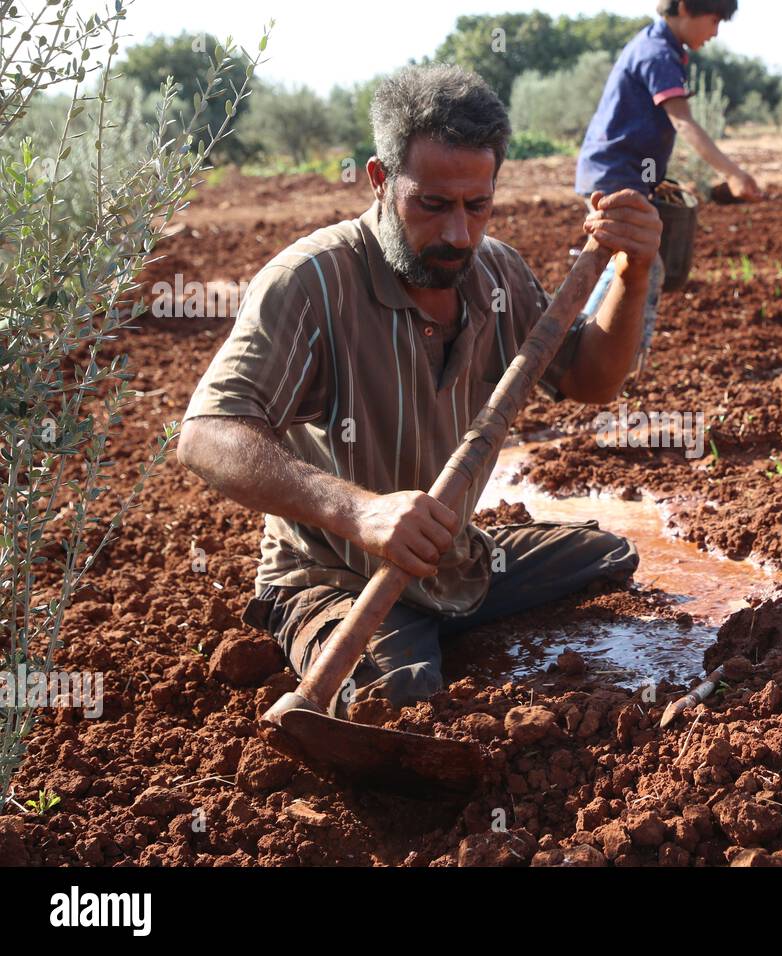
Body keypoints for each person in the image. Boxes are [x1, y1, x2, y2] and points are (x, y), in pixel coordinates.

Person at [177, 64, 662, 718]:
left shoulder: (496, 272)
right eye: (432, 205)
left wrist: (632, 276)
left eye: (477, 205)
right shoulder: (312, 283)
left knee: (610, 556)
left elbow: (589, 379)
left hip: (454, 562)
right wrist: (360, 513)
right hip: (339, 577)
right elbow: (207, 433)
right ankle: (367, 640)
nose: (458, 234)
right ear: (380, 180)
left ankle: (441, 621)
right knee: (397, 703)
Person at [575, 0, 763, 369]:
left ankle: (606, 354)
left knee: (628, 261)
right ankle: (584, 350)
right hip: (614, 174)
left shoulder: (656, 45)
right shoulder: (657, 53)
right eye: (714, 20)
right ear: (686, 9)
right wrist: (734, 174)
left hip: (616, 172)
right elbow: (683, 123)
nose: (716, 31)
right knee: (639, 263)